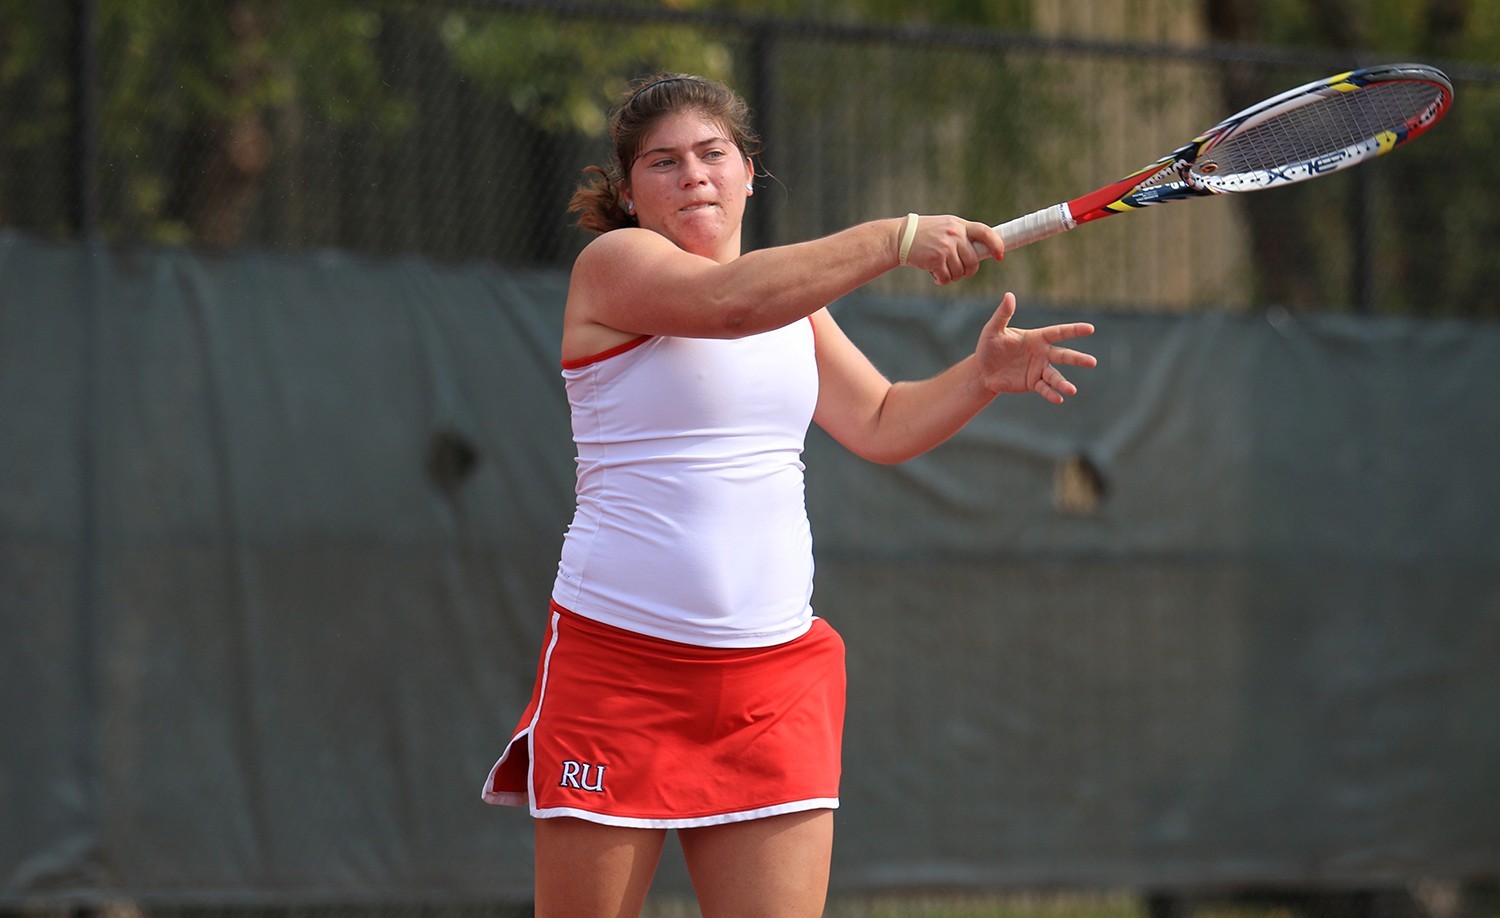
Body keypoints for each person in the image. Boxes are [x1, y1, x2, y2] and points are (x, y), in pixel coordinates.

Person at [481, 72, 1097, 917]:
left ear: (746, 172)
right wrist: (899, 236)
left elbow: (881, 420)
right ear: (629, 193)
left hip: (773, 685)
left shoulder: (797, 313)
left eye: (712, 154)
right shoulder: (615, 266)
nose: (693, 175)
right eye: (663, 163)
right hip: (621, 667)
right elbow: (730, 305)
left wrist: (980, 377)